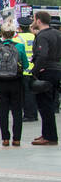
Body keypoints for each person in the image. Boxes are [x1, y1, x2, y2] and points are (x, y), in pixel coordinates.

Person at [0, 22, 29, 147]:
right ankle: (17, 139)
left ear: (1, 33)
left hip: (0, 81)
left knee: (3, 111)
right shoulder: (19, 47)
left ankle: (5, 139)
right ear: (13, 34)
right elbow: (26, 65)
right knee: (17, 111)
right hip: (16, 81)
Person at [30, 11, 59, 146]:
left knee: (44, 104)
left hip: (46, 71)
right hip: (57, 70)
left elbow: (42, 55)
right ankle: (48, 133)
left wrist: (34, 71)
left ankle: (49, 136)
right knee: (50, 104)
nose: (33, 21)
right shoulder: (56, 33)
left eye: (34, 19)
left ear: (39, 20)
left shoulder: (42, 36)